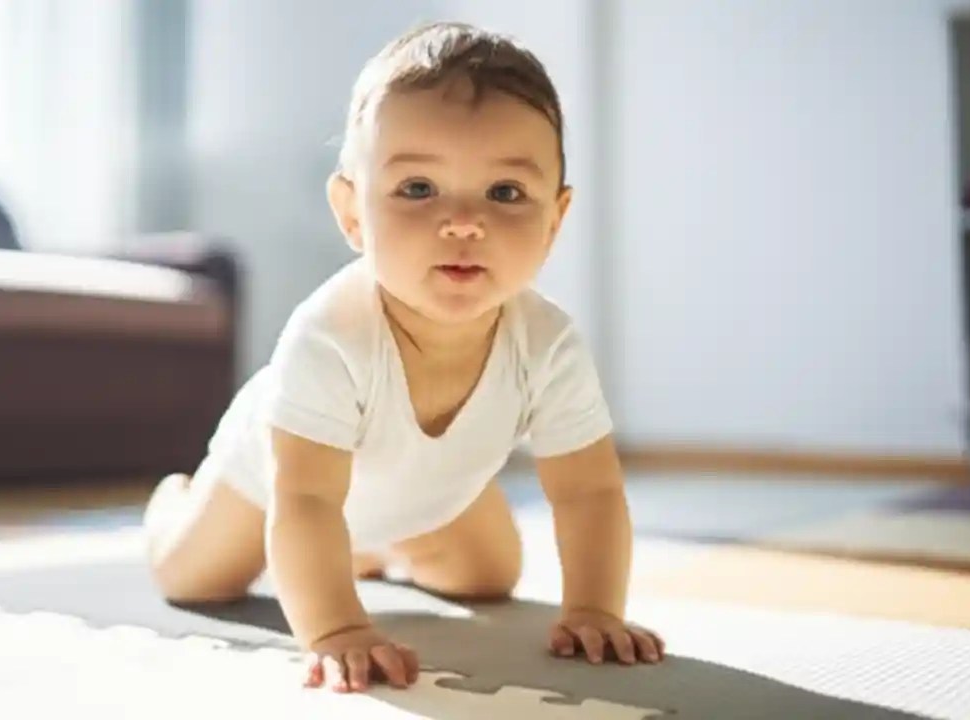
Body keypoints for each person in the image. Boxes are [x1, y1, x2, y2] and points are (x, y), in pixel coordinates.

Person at [142, 20, 665, 694]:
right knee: (192, 580)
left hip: (429, 485)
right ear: (353, 213)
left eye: (505, 193)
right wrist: (336, 630)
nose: (463, 222)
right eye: (419, 189)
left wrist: (595, 610)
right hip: (275, 481)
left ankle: (372, 544)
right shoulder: (329, 337)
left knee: (489, 579)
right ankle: (172, 505)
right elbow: (303, 500)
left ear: (555, 221)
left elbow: (589, 490)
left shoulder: (549, 343)